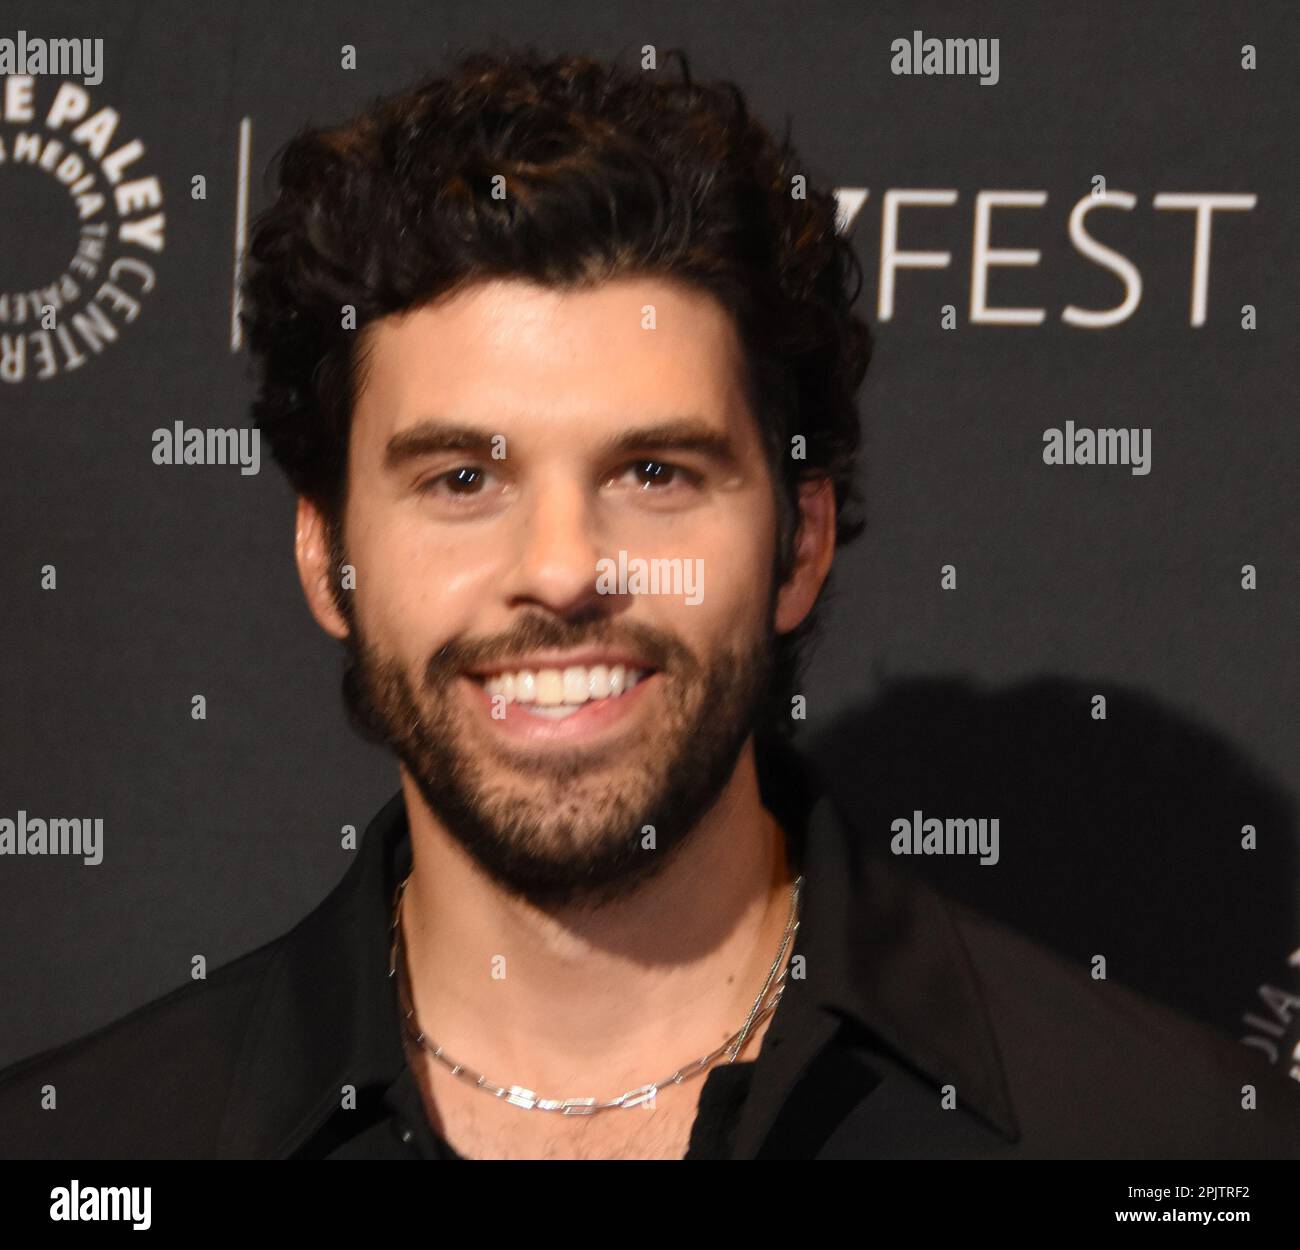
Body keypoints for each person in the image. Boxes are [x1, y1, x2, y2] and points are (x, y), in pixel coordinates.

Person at [0, 46, 1295, 1161]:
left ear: (798, 542)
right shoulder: (88, 1143)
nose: (564, 568)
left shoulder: (1172, 1137)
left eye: (655, 472)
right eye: (462, 477)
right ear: (327, 557)